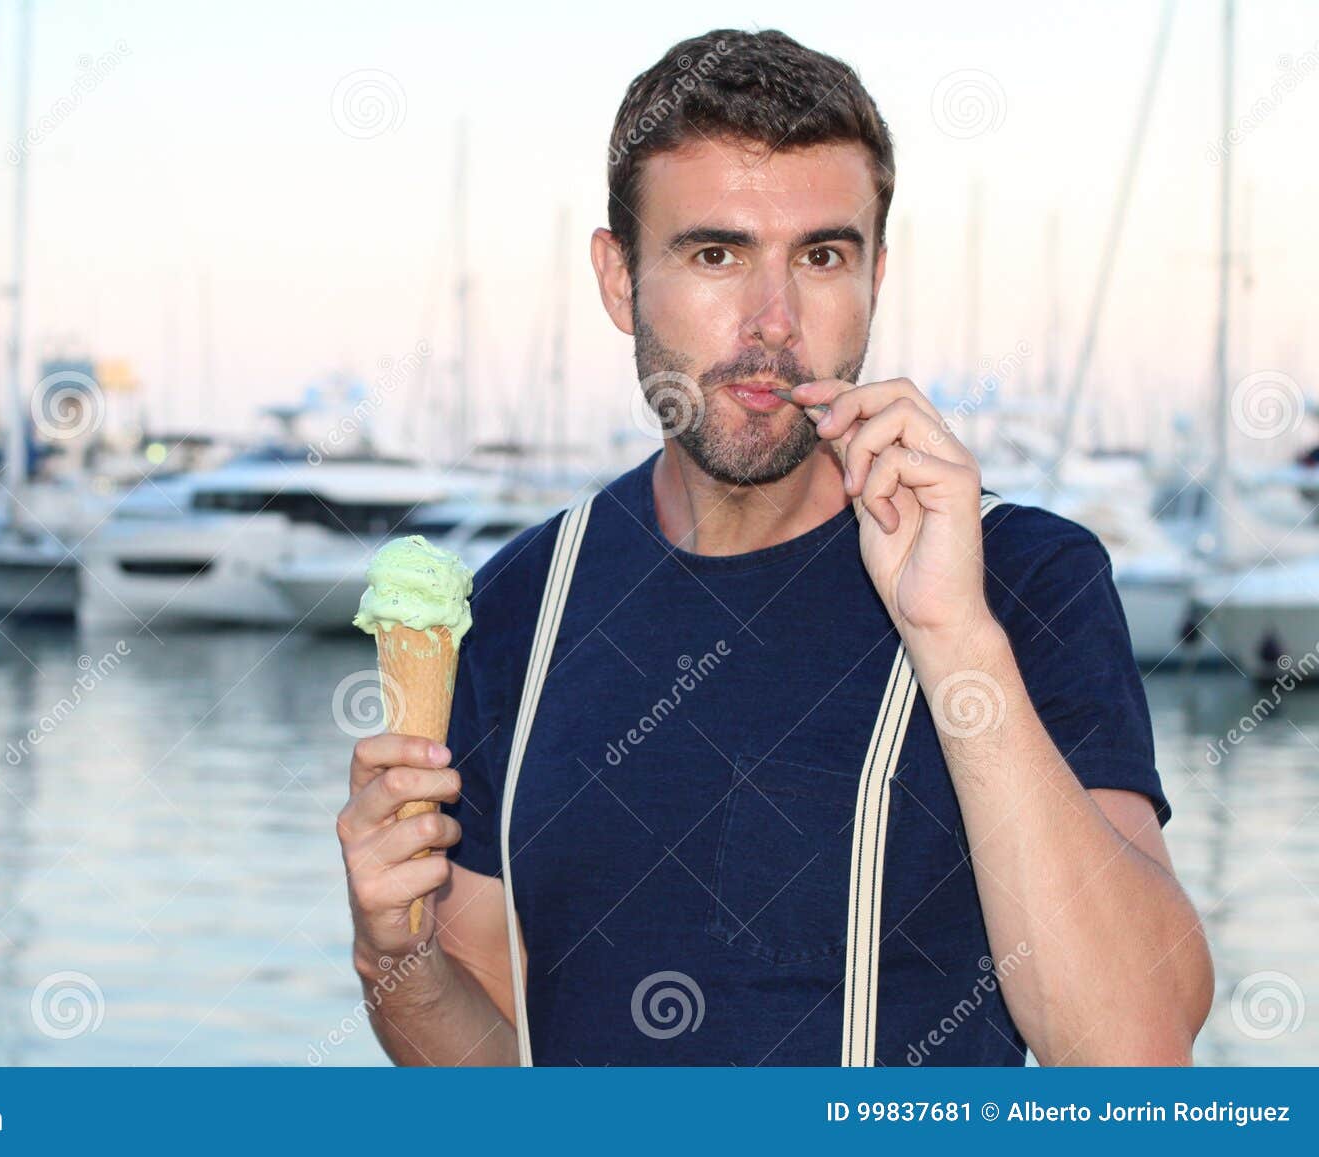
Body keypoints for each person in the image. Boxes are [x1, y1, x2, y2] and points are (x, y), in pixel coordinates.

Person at [335, 27, 1212, 1066]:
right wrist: (391, 955)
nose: (772, 321)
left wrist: (951, 634)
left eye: (822, 256)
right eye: (716, 254)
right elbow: (488, 1066)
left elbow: (1135, 1050)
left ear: (876, 274)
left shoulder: (1020, 579)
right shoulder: (524, 600)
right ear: (619, 280)